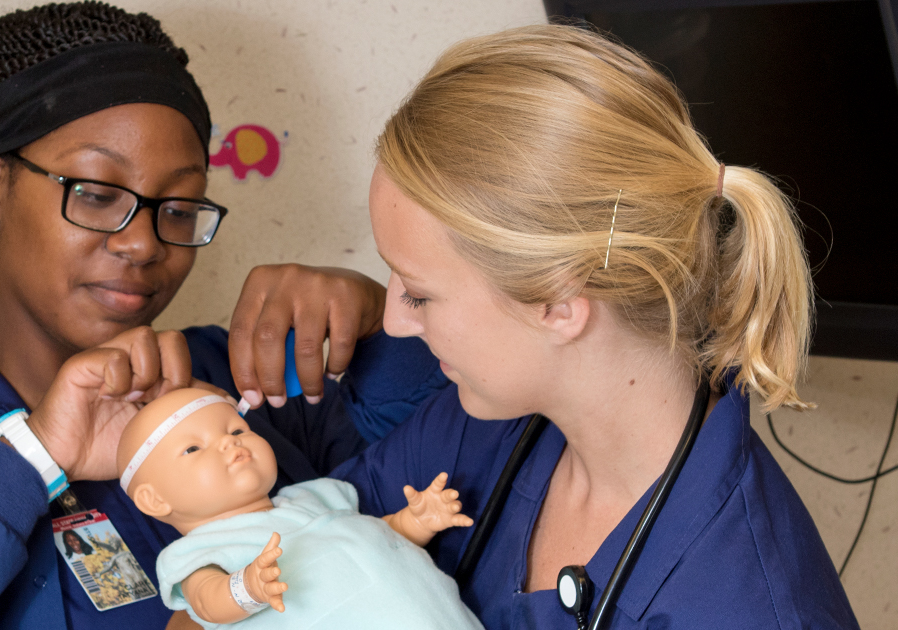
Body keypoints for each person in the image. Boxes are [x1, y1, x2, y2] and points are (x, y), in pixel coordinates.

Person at [0, 4, 446, 630]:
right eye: (95, 192)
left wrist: (395, 318)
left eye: (178, 207)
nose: (142, 242)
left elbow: (443, 485)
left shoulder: (236, 386)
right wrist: (29, 461)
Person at [332, 25, 860, 628]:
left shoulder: (745, 607)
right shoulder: (479, 424)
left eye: (419, 294)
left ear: (558, 301)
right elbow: (302, 540)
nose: (395, 320)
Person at [117, 388, 482, 629]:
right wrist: (247, 588)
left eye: (237, 431)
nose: (229, 444)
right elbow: (206, 602)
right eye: (193, 448)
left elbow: (371, 540)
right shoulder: (197, 553)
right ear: (155, 500)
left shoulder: (315, 497)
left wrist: (414, 522)